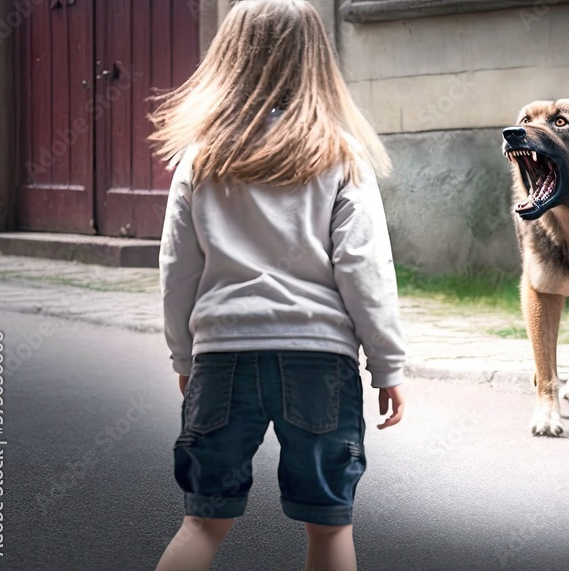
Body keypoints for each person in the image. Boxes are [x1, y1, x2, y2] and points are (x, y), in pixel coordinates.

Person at [148, 1, 405, 570]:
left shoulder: (201, 157)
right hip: (318, 359)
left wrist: (184, 354)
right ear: (317, 60)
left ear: (229, 58)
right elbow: (364, 269)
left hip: (223, 355)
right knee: (329, 525)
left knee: (201, 520)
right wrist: (386, 365)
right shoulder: (340, 153)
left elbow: (177, 268)